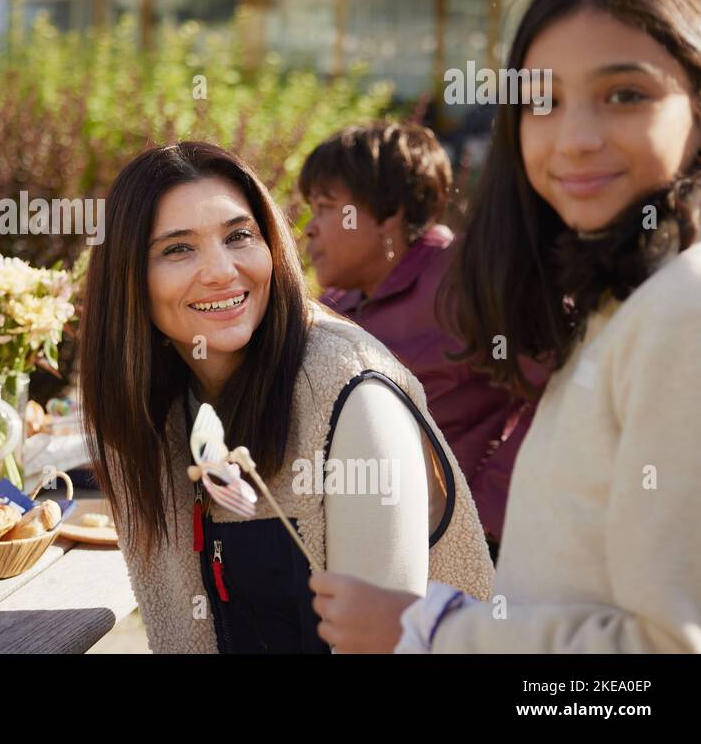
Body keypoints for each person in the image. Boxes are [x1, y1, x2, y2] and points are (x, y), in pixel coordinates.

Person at [311, 0, 701, 653]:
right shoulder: (618, 304)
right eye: (542, 101)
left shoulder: (683, 309)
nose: (576, 138)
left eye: (625, 94)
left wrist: (429, 630)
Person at [77, 141, 494, 653]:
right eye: (178, 248)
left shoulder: (353, 397)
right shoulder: (154, 411)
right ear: (129, 279)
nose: (222, 270)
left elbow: (381, 649)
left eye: (238, 236)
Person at [300, 121, 546, 553]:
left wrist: (484, 509)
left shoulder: (465, 278)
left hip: (465, 558)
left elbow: (556, 389)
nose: (309, 228)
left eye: (324, 206)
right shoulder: (334, 306)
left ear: (389, 212)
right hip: (362, 548)